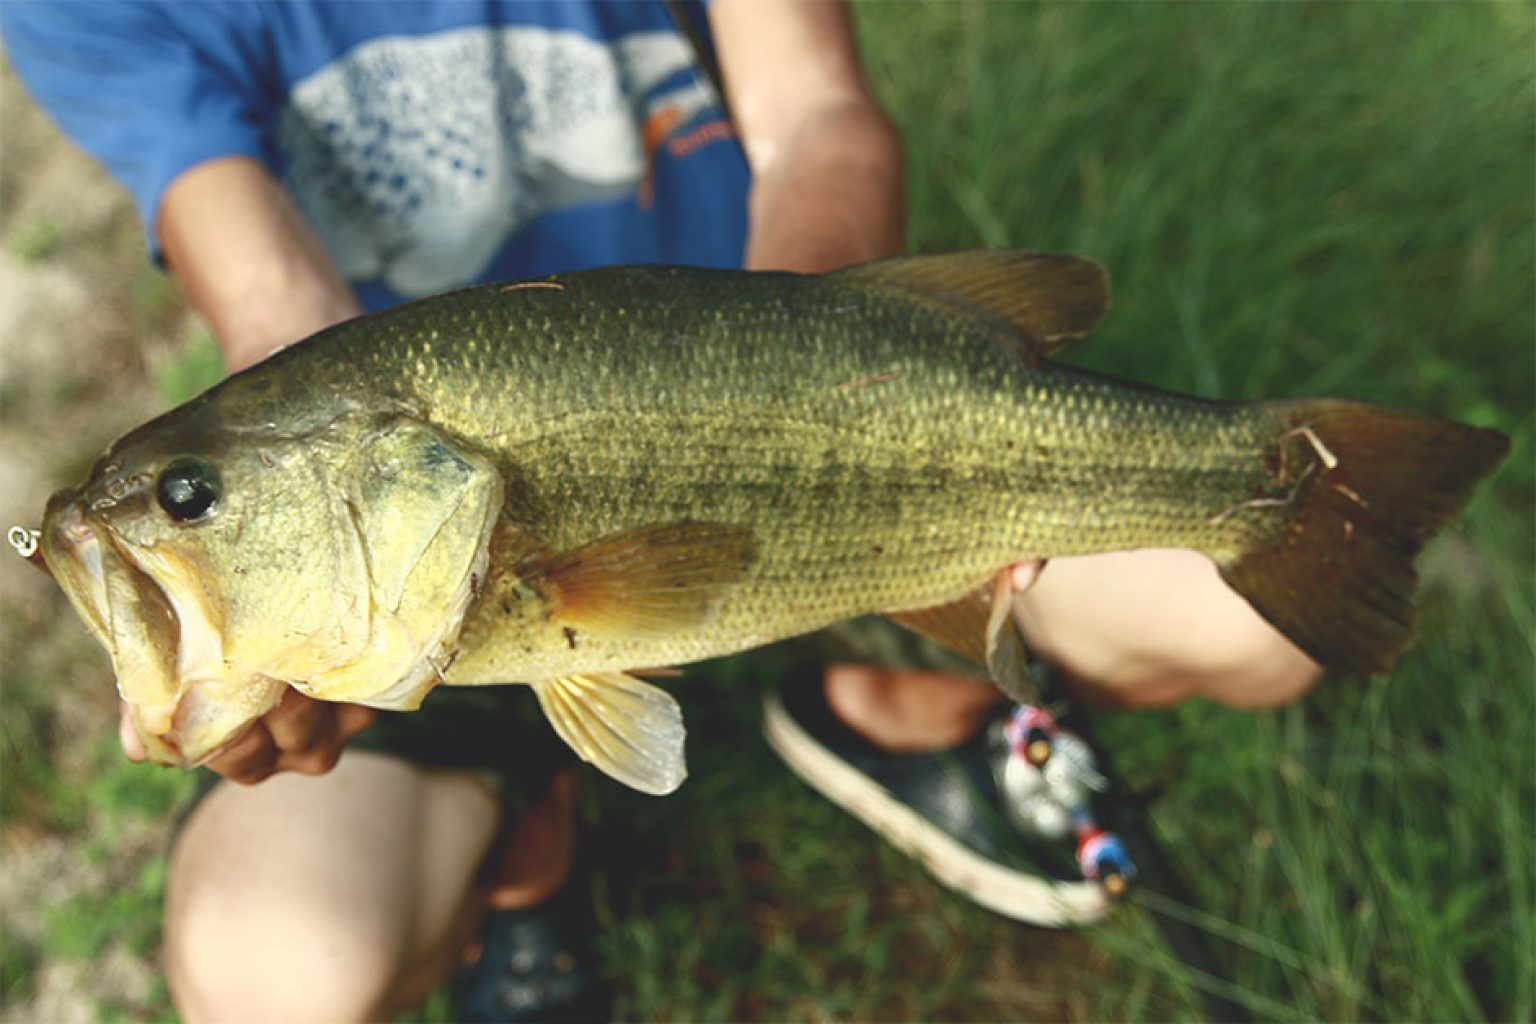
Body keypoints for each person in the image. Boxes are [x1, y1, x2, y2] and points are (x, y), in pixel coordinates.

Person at [3, 1, 1320, 1019]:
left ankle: (875, 685)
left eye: (188, 501)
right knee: (275, 973)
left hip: (851, 421)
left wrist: (799, 405)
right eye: (193, 500)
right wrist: (285, 624)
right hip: (474, 555)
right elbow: (287, 323)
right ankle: (523, 825)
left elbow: (820, 119)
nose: (170, 520)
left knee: (1264, 609)